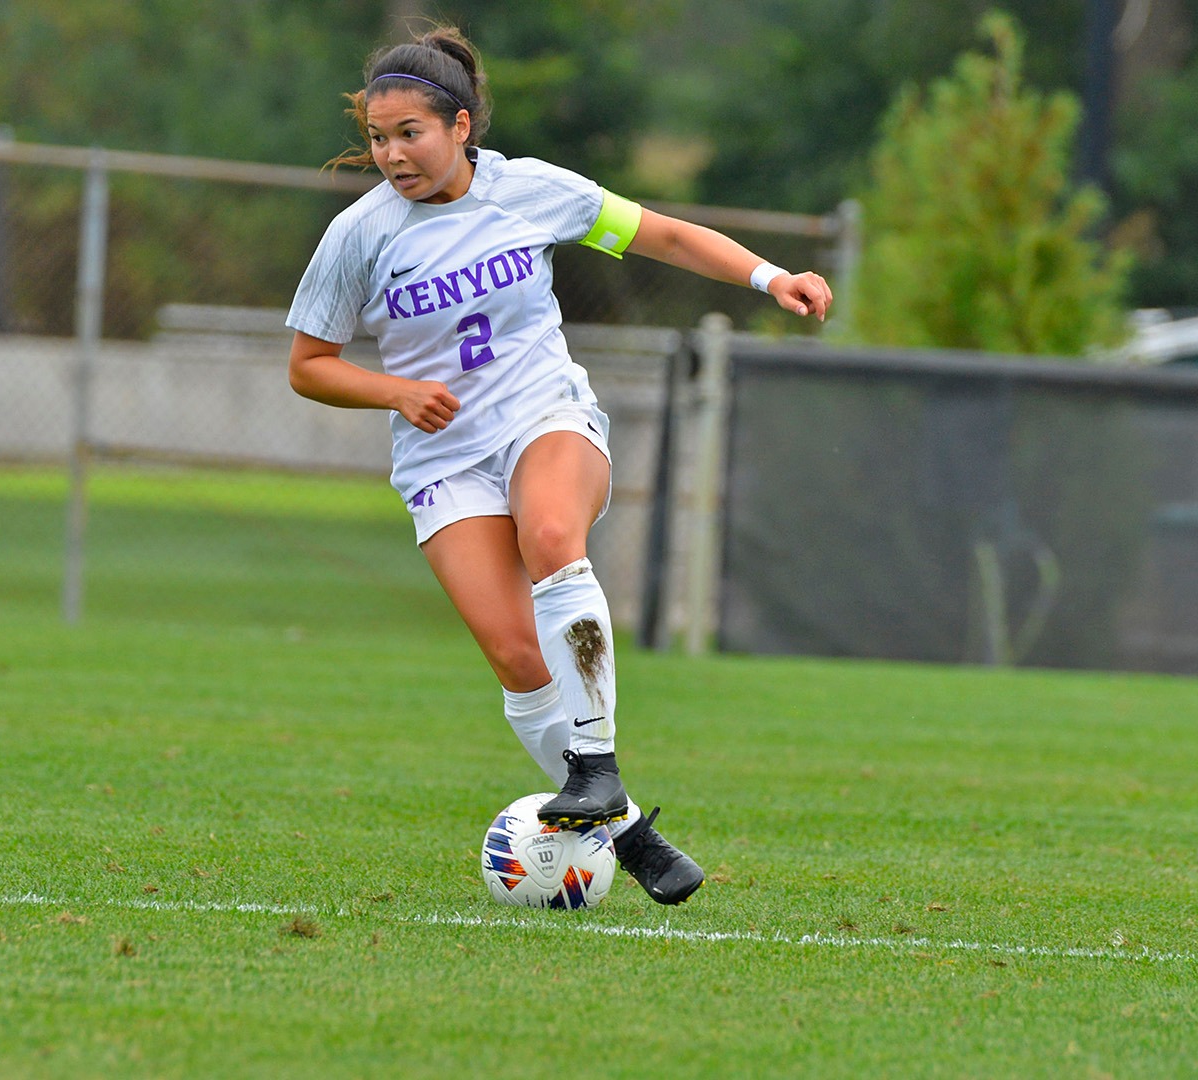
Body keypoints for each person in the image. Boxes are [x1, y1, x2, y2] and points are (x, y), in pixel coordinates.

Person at [285, 25, 832, 906]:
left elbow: (666, 238)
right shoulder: (360, 235)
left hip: (546, 417)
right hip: (442, 455)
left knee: (550, 534)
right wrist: (393, 393)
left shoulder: (531, 190)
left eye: (409, 135)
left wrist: (772, 279)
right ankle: (630, 833)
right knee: (514, 655)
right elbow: (309, 365)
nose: (391, 155)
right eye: (378, 139)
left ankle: (598, 769)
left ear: (460, 125)